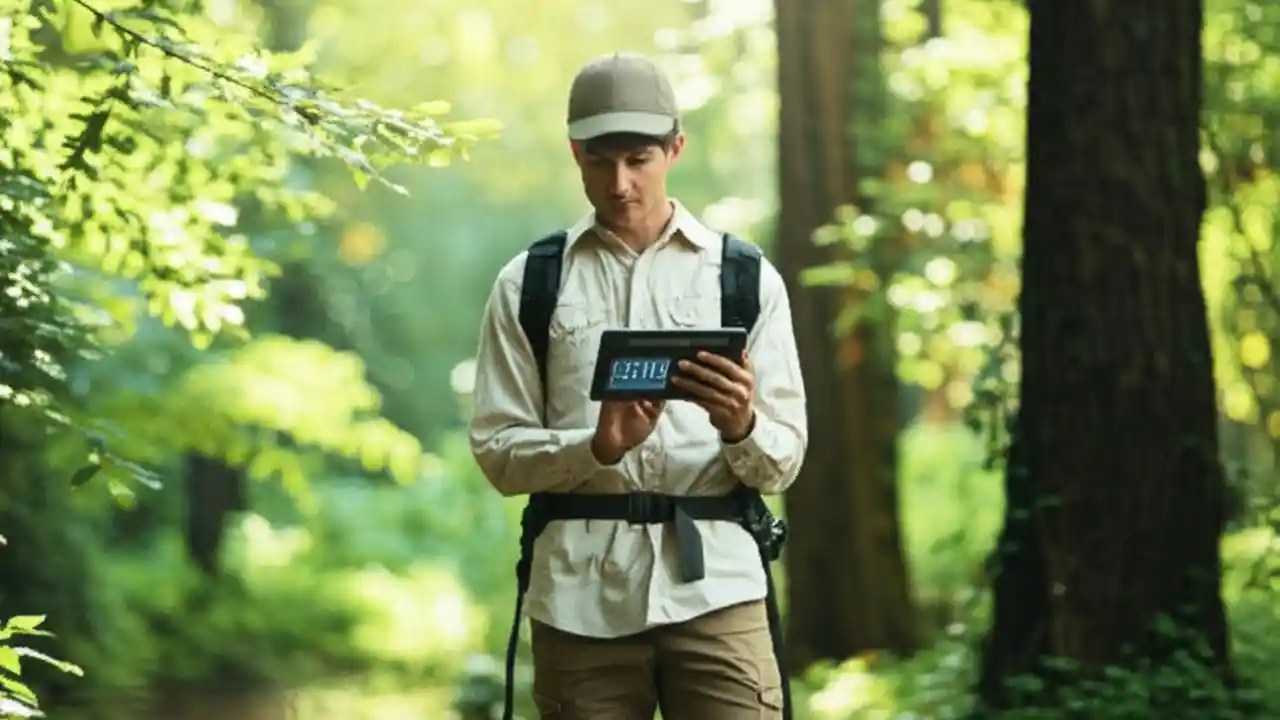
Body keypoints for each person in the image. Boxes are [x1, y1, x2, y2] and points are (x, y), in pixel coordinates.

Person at [467, 50, 808, 720]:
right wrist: (595, 446)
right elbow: (499, 454)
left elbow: (785, 457)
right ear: (574, 154)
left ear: (675, 147)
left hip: (718, 592)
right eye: (600, 160)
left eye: (639, 159)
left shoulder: (743, 279)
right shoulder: (529, 284)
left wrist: (740, 422)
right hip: (578, 600)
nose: (619, 182)